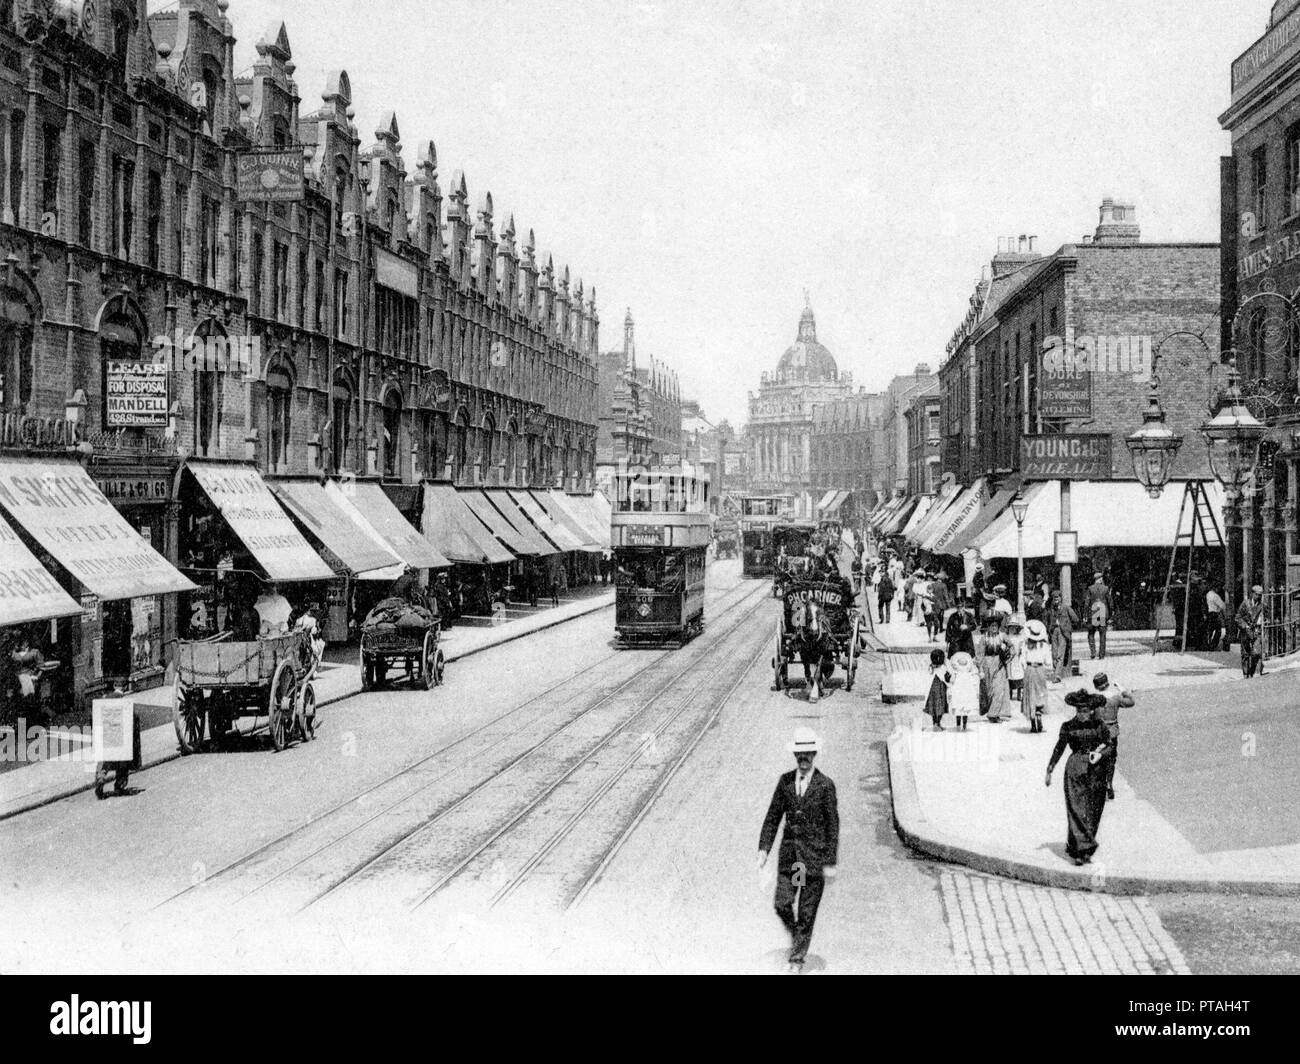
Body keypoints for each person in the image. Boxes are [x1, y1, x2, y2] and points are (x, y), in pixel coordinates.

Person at [757, 728, 840, 973]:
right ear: (795, 756)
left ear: (814, 754)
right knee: (783, 904)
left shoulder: (825, 785)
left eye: (807, 755)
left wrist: (830, 861)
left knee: (806, 910)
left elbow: (832, 825)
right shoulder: (785, 782)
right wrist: (764, 849)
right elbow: (773, 817)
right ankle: (799, 938)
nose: (803, 760)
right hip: (795, 864)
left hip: (813, 860)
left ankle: (797, 959)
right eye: (799, 756)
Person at [1045, 690, 1112, 865]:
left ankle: (1081, 847)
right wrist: (1050, 768)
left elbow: (1109, 746)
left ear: (1091, 710)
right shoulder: (1068, 726)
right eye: (1079, 710)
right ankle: (1082, 850)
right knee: (1076, 808)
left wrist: (1100, 755)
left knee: (1094, 809)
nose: (1082, 714)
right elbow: (1059, 748)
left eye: (1085, 710)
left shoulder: (1099, 726)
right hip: (1075, 768)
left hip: (1096, 770)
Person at [1091, 671, 1134, 801]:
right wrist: (1122, 689)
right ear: (1107, 684)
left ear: (1096, 687)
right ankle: (1109, 782)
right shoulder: (1115, 698)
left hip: (1098, 733)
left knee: (1097, 759)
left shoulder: (1093, 699)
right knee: (1111, 759)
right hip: (1112, 732)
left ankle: (1100, 785)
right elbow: (1131, 701)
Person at [977, 617, 1011, 723]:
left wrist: (1007, 658)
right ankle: (991, 710)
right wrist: (980, 669)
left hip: (999, 663)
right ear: (988, 627)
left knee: (999, 688)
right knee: (989, 690)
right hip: (987, 663)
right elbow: (980, 655)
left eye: (996, 626)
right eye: (992, 626)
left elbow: (1012, 648)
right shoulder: (984, 638)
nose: (994, 628)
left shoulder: (1002, 636)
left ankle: (993, 714)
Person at [1021, 619, 1053, 732]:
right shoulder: (1043, 646)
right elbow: (1048, 661)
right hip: (1038, 669)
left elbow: (1022, 660)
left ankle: (1035, 721)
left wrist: (1026, 668)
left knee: (1034, 694)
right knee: (1039, 694)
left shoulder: (1027, 644)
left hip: (1032, 669)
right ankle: (1037, 719)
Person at [1046, 589, 1079, 683]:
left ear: (1060, 598)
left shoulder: (1066, 608)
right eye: (1054, 598)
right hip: (1054, 632)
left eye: (1057, 597)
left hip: (1063, 633)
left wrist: (1068, 627)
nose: (1056, 599)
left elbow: (1075, 619)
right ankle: (1056, 672)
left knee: (1060, 654)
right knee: (1054, 654)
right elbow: (1048, 621)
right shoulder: (1051, 609)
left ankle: (1057, 675)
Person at [1236, 585, 1265, 678]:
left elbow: (1266, 616)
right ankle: (1245, 674)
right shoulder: (1245, 604)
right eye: (1257, 594)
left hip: (1256, 631)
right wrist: (1245, 626)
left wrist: (1264, 621)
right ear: (1252, 594)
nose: (1258, 597)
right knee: (1245, 653)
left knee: (1256, 652)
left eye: (1260, 595)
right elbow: (1238, 617)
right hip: (1245, 630)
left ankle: (1253, 672)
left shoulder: (1262, 605)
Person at [947, 651, 980, 731]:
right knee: (962, 711)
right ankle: (961, 725)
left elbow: (951, 682)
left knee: (961, 711)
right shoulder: (960, 673)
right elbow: (975, 682)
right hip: (961, 695)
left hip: (962, 695)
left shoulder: (959, 673)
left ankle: (961, 725)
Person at [1084, 573, 1112, 660]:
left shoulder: (1090, 588)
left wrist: (1085, 614)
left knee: (1091, 633)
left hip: (1093, 614)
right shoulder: (1106, 588)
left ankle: (1093, 652)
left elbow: (1087, 603)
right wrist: (1110, 615)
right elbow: (1110, 602)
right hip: (1103, 613)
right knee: (1102, 634)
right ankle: (1101, 654)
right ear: (1100, 579)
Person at [924, 648, 951, 731]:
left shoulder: (931, 667)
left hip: (932, 692)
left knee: (933, 708)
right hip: (940, 690)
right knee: (940, 707)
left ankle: (934, 723)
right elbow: (947, 678)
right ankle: (938, 723)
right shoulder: (943, 668)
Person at [945, 596, 977, 660]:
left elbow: (974, 626)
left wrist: (967, 627)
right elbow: (948, 628)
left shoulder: (969, 615)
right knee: (955, 659)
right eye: (958, 607)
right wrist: (948, 641)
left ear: (964, 606)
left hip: (967, 641)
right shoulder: (953, 616)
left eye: (961, 607)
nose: (960, 609)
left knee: (968, 659)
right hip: (956, 642)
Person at [1004, 612, 1026, 702]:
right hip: (1010, 659)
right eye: (1011, 627)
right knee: (1010, 675)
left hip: (1017, 658)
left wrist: (1021, 650)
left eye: (1014, 627)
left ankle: (1019, 693)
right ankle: (1009, 693)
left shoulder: (1020, 638)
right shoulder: (1007, 637)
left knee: (1019, 674)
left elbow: (1022, 647)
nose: (1012, 629)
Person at [1205, 584, 1226, 652]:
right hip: (1215, 613)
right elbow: (1222, 605)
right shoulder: (1215, 596)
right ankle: (1213, 645)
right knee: (1218, 630)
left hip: (1209, 613)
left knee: (1210, 630)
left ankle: (1207, 644)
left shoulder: (1208, 594)